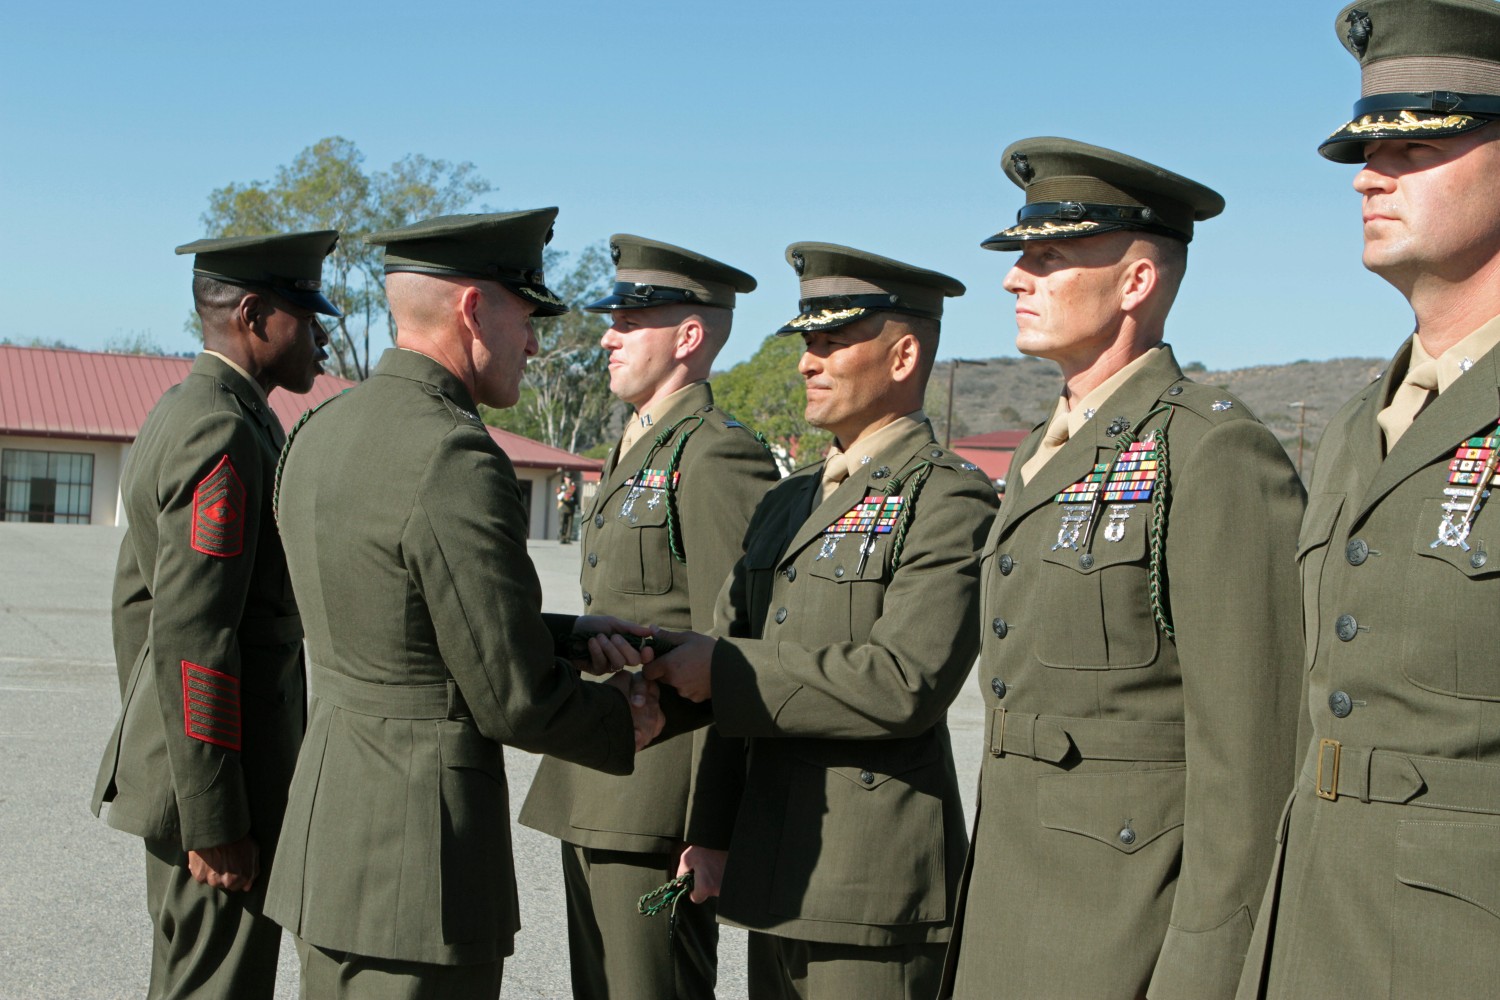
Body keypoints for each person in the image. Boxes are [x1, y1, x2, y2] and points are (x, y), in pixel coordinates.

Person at [262, 210, 664, 1000]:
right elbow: (510, 698)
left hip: (330, 840)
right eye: (527, 317)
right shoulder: (453, 452)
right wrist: (624, 717)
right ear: (474, 310)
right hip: (420, 867)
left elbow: (394, 617)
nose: (536, 344)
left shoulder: (319, 428)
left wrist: (569, 636)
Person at [938, 139, 1306, 1000]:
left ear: (1136, 283)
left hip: (1123, 937)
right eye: (1020, 257)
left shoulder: (1212, 450)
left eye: (1050, 256)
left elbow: (1250, 767)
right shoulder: (1042, 449)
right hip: (1013, 909)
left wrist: (1205, 970)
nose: (1014, 278)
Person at [646, 242, 998, 1000]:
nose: (809, 361)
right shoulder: (788, 498)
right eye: (808, 343)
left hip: (873, 880)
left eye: (834, 342)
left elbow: (908, 681)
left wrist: (725, 669)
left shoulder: (948, 499)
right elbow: (728, 666)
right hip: (779, 861)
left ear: (903, 356)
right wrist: (710, 828)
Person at [1237, 4, 1500, 997]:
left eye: (1418, 143)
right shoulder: (1357, 425)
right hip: (1314, 935)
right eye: (1363, 147)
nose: (1367, 175)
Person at [519, 234, 780, 999]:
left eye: (629, 323)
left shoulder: (715, 455)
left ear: (688, 337)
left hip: (662, 801)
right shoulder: (634, 445)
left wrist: (715, 824)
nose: (607, 336)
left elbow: (732, 649)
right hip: (598, 781)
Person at [91, 230, 340, 999]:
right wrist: (213, 814)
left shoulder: (201, 407)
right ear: (256, 314)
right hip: (222, 788)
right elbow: (193, 634)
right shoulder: (222, 429)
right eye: (307, 312)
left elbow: (139, 609)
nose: (323, 332)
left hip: (199, 769)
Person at [557, 475, 580, 543]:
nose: (569, 479)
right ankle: (562, 537)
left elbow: (576, 497)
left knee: (570, 523)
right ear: (564, 478)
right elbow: (558, 496)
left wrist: (576, 502)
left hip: (571, 507)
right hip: (563, 507)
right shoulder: (561, 486)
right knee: (563, 523)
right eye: (567, 478)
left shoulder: (573, 487)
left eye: (570, 478)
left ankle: (568, 538)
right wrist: (566, 499)